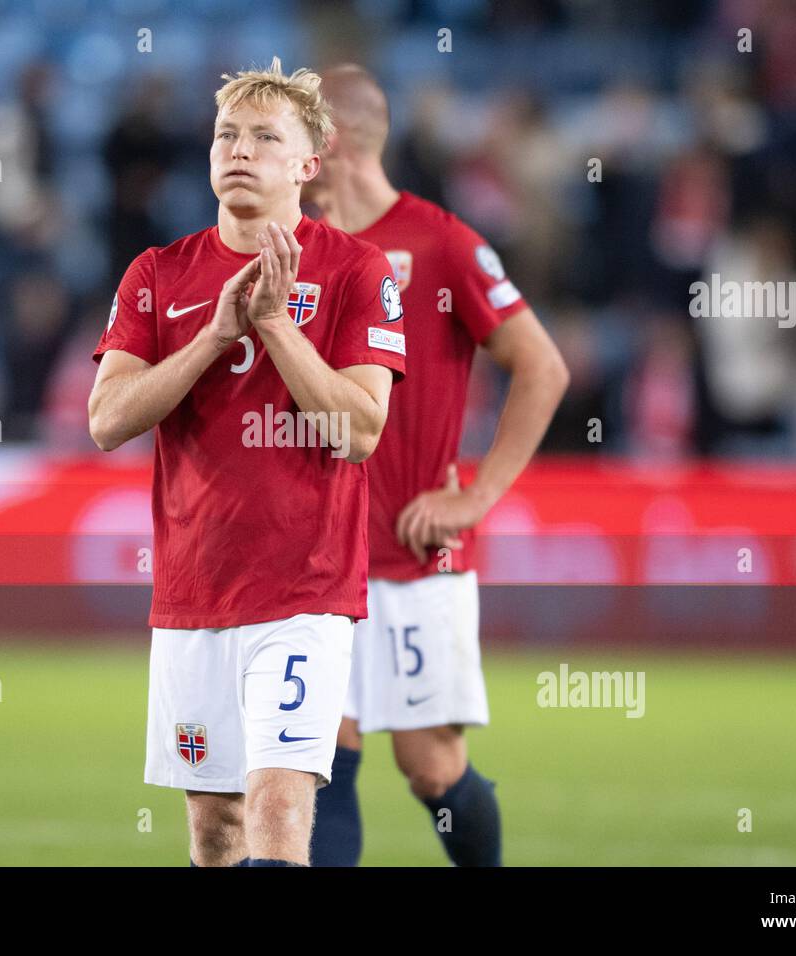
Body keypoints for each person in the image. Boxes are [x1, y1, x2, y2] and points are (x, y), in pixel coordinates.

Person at [87, 58, 406, 867]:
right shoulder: (157, 275)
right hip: (193, 591)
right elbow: (106, 419)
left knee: (276, 804)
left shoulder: (357, 271)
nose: (239, 149)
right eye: (227, 133)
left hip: (306, 589)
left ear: (308, 164)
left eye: (266, 137)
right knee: (215, 828)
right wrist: (213, 336)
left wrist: (275, 326)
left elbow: (361, 429)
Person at [303, 64, 568, 867]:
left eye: (290, 133)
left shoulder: (442, 242)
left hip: (416, 549)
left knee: (430, 767)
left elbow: (542, 367)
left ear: (330, 141)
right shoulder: (296, 249)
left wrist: (479, 494)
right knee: (320, 760)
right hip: (318, 553)